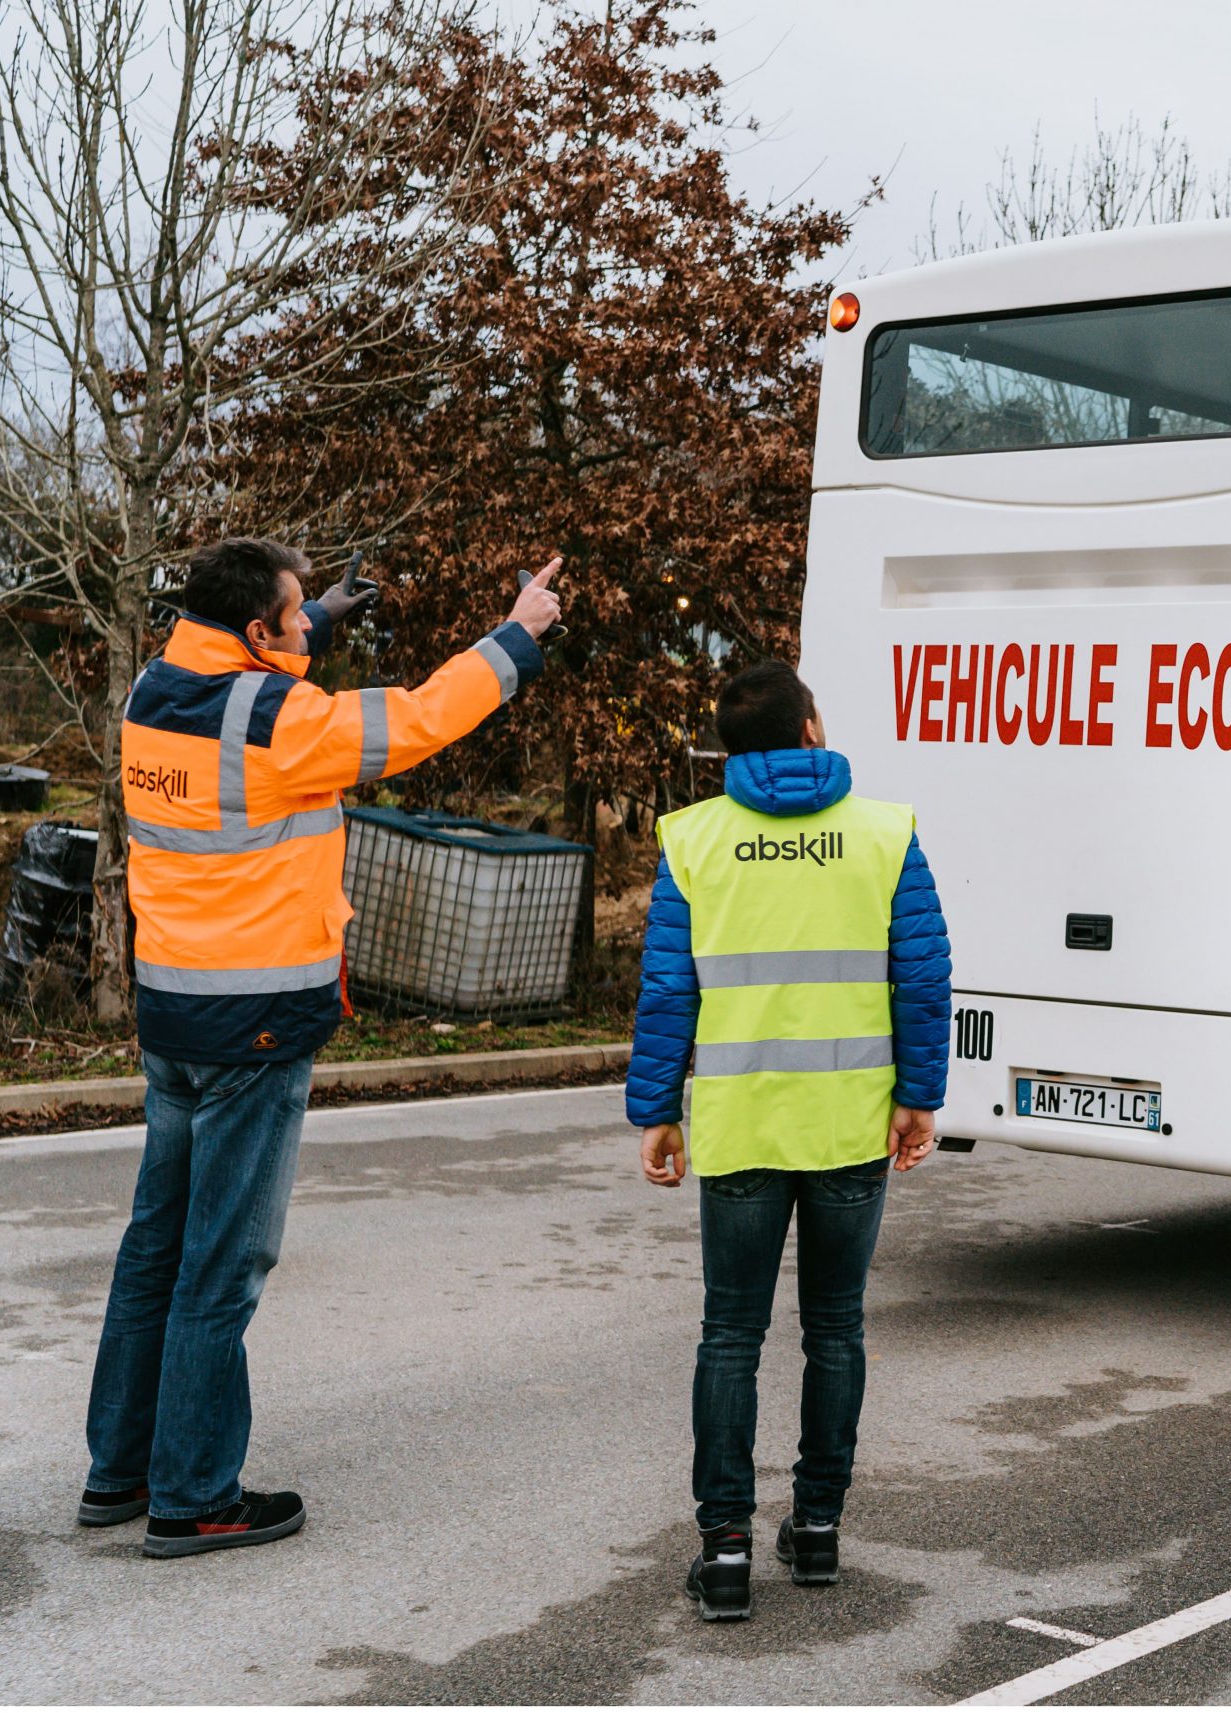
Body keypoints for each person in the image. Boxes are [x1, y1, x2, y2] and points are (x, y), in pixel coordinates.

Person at [85, 536, 560, 1558]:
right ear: (259, 633)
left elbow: (243, 688)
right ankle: (194, 1496)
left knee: (155, 1249)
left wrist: (324, 618)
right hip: (255, 1024)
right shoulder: (279, 721)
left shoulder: (153, 691)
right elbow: (417, 718)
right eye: (295, 613)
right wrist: (515, 638)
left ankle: (118, 1470)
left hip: (173, 1013)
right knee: (223, 1264)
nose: (308, 623)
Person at [625, 658, 951, 1623]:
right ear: (811, 728)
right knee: (835, 1328)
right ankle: (816, 1529)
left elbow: (667, 989)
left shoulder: (693, 839)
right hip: (850, 1123)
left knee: (730, 1334)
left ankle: (725, 1549)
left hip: (742, 1127)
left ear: (730, 745)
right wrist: (919, 1095)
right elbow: (922, 976)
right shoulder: (886, 832)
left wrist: (657, 1109)